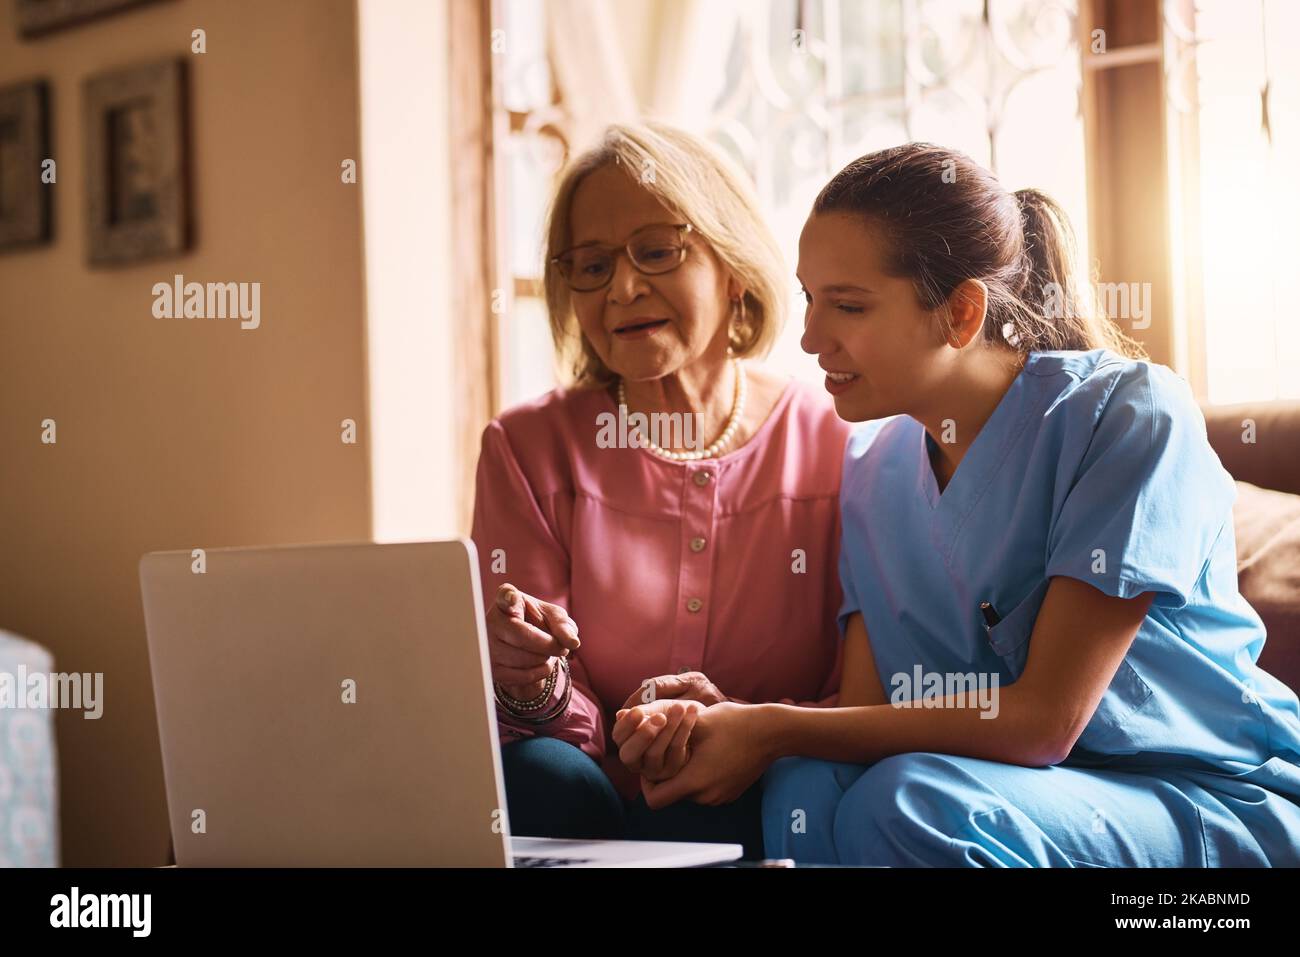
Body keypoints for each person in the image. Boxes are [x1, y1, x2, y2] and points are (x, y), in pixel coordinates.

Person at [614, 142, 1300, 866]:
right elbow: (861, 713)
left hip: (1204, 797)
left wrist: (774, 723)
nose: (812, 339)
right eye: (811, 300)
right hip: (1005, 790)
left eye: (848, 305)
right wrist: (733, 718)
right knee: (806, 780)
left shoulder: (1131, 417)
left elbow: (1044, 722)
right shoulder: (872, 471)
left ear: (961, 312)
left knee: (910, 802)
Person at [471, 122, 852, 858]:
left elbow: (859, 687)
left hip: (758, 780)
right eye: (591, 265)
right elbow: (540, 704)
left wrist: (743, 727)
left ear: (732, 264)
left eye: (656, 251)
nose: (621, 288)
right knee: (535, 775)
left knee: (725, 801)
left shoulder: (838, 442)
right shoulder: (525, 448)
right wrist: (532, 682)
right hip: (584, 784)